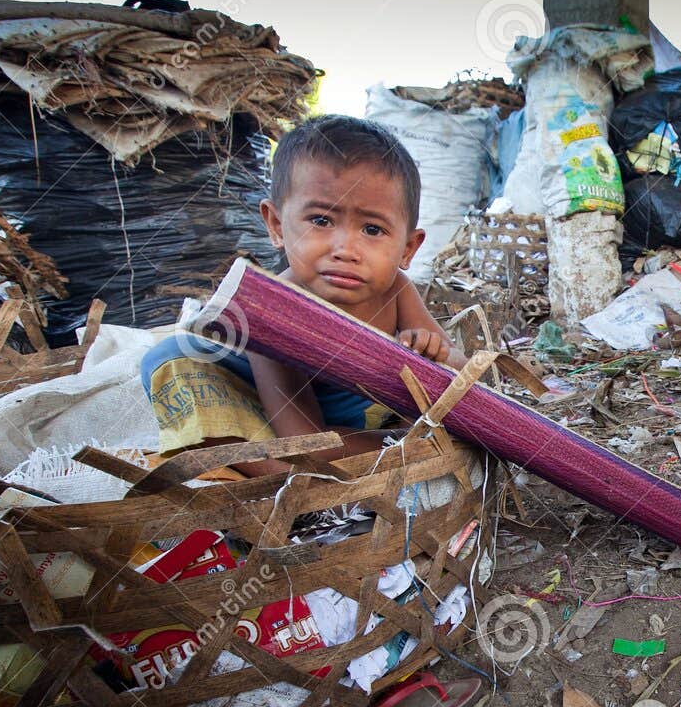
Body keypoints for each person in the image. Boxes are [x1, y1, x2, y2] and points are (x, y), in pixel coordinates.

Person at [141, 115, 464, 476]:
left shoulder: (396, 290)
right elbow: (301, 436)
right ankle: (280, 479)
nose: (345, 249)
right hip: (278, 418)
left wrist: (432, 352)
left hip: (362, 421)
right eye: (321, 221)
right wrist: (396, 445)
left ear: (408, 248)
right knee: (172, 359)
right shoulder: (274, 310)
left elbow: (464, 377)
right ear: (277, 225)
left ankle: (376, 454)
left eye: (372, 229)